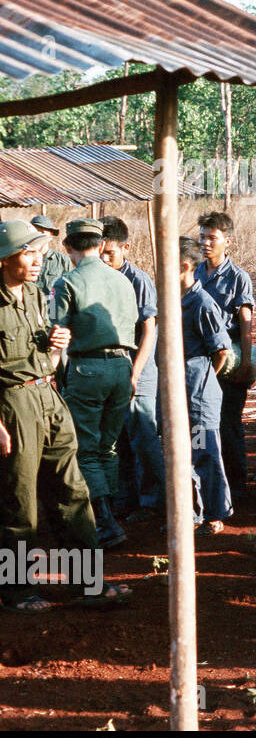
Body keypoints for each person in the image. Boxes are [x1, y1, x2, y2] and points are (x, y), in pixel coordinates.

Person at [0, 221, 131, 613]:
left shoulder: (37, 297)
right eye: (28, 253)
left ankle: (86, 583)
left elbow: (48, 355)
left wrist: (59, 346)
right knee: (19, 501)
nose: (38, 260)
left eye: (39, 252)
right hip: (13, 403)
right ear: (5, 259)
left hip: (48, 396)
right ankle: (17, 591)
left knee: (73, 492)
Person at [51, 219, 139, 550]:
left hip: (88, 368)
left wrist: (54, 375)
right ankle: (111, 513)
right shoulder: (123, 280)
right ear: (101, 245)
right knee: (109, 446)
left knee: (85, 449)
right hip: (122, 368)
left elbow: (57, 335)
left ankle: (104, 521)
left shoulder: (67, 282)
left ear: (67, 247)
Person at [98, 216, 165, 524]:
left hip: (139, 371)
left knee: (144, 437)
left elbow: (149, 329)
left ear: (126, 247)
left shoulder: (139, 280)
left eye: (109, 252)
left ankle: (153, 501)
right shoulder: (98, 278)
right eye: (100, 251)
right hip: (112, 372)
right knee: (118, 438)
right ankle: (127, 497)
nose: (103, 258)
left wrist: (136, 374)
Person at [195, 211, 256, 506]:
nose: (206, 243)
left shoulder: (237, 277)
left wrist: (245, 362)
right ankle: (207, 486)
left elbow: (245, 323)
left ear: (227, 242)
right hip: (199, 359)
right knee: (201, 425)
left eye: (212, 238)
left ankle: (237, 487)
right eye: (202, 236)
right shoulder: (193, 272)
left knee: (228, 423)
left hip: (228, 360)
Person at [177, 237, 234, 534]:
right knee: (183, 450)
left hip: (199, 391)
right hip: (182, 390)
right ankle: (192, 511)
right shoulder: (177, 299)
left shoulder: (201, 302)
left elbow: (221, 350)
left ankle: (215, 513)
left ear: (185, 267)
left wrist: (203, 376)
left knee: (204, 449)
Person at [31, 215, 71, 301]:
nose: (38, 235)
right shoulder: (23, 259)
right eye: (36, 231)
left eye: (42, 232)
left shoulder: (62, 261)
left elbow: (68, 290)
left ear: (51, 235)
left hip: (52, 309)